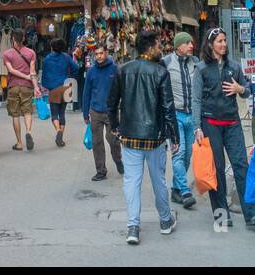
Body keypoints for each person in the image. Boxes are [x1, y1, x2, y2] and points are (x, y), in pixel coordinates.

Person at [107, 30, 179, 245]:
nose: (160, 49)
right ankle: (165, 221)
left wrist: (115, 126)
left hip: (129, 137)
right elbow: (168, 107)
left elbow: (111, 103)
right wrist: (174, 136)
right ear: (151, 47)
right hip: (154, 138)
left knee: (131, 182)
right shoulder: (160, 72)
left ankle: (133, 226)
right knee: (158, 180)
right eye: (158, 45)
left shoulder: (123, 70)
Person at [195, 27, 255, 228]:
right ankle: (221, 214)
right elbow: (196, 100)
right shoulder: (201, 69)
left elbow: (248, 91)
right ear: (210, 45)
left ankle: (251, 213)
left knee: (241, 165)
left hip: (232, 123)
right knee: (215, 170)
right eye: (219, 41)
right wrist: (196, 128)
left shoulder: (234, 67)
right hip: (210, 125)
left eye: (225, 41)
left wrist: (239, 88)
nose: (224, 44)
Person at [161, 31, 201, 209]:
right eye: (187, 43)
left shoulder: (196, 63)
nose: (191, 46)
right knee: (179, 152)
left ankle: (176, 189)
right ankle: (185, 191)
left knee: (187, 155)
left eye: (191, 43)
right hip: (175, 115)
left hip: (192, 116)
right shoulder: (166, 62)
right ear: (178, 46)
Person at [81, 41, 123, 180]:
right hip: (95, 112)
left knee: (113, 141)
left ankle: (118, 160)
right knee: (97, 143)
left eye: (101, 53)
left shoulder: (115, 69)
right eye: (96, 54)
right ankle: (101, 171)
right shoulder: (91, 71)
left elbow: (122, 90)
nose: (99, 56)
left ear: (106, 53)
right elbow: (86, 93)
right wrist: (85, 112)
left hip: (111, 112)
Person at [2, 29, 38, 151]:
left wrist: (23, 76)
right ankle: (28, 132)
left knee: (15, 115)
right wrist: (36, 87)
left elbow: (11, 70)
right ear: (23, 38)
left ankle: (19, 143)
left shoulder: (7, 54)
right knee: (27, 112)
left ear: (12, 38)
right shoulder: (31, 53)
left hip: (13, 86)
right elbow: (32, 72)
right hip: (27, 86)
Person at [40, 38, 78, 146]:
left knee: (54, 114)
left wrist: (46, 85)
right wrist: (71, 78)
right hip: (66, 87)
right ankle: (61, 140)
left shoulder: (47, 58)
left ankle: (58, 131)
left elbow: (45, 74)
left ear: (52, 47)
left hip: (54, 89)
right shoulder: (66, 57)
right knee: (62, 113)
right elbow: (76, 67)